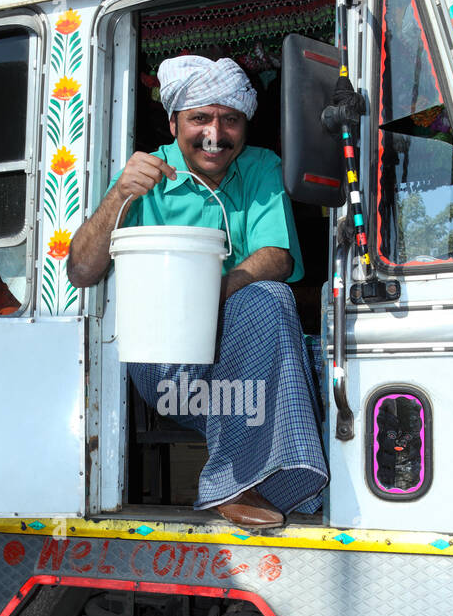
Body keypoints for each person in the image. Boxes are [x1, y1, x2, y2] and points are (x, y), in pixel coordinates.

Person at [67, 55, 328, 530]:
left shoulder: (261, 166)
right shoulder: (144, 176)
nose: (215, 132)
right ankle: (236, 482)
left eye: (230, 119)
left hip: (241, 359)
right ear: (173, 123)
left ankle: (281, 480)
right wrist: (118, 196)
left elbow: (277, 257)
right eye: (200, 118)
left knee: (284, 314)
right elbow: (82, 271)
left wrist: (204, 302)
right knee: (269, 307)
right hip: (169, 372)